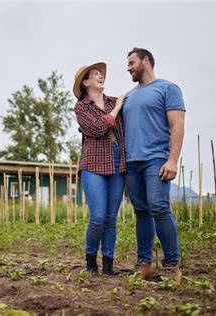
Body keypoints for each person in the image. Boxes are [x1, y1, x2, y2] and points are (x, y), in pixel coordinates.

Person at [122, 48, 185, 284]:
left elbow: (177, 126)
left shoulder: (168, 88)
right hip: (131, 163)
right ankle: (144, 264)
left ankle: (171, 266)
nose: (128, 67)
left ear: (146, 61)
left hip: (156, 159)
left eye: (131, 62)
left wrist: (172, 160)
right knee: (141, 212)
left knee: (159, 207)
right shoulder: (128, 96)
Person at [73, 62, 126, 276]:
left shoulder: (116, 101)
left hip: (117, 161)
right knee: (97, 217)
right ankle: (90, 261)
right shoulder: (82, 107)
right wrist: (115, 111)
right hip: (93, 162)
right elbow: (98, 128)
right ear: (86, 82)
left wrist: (117, 107)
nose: (101, 76)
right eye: (96, 74)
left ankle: (109, 265)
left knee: (111, 218)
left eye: (102, 74)